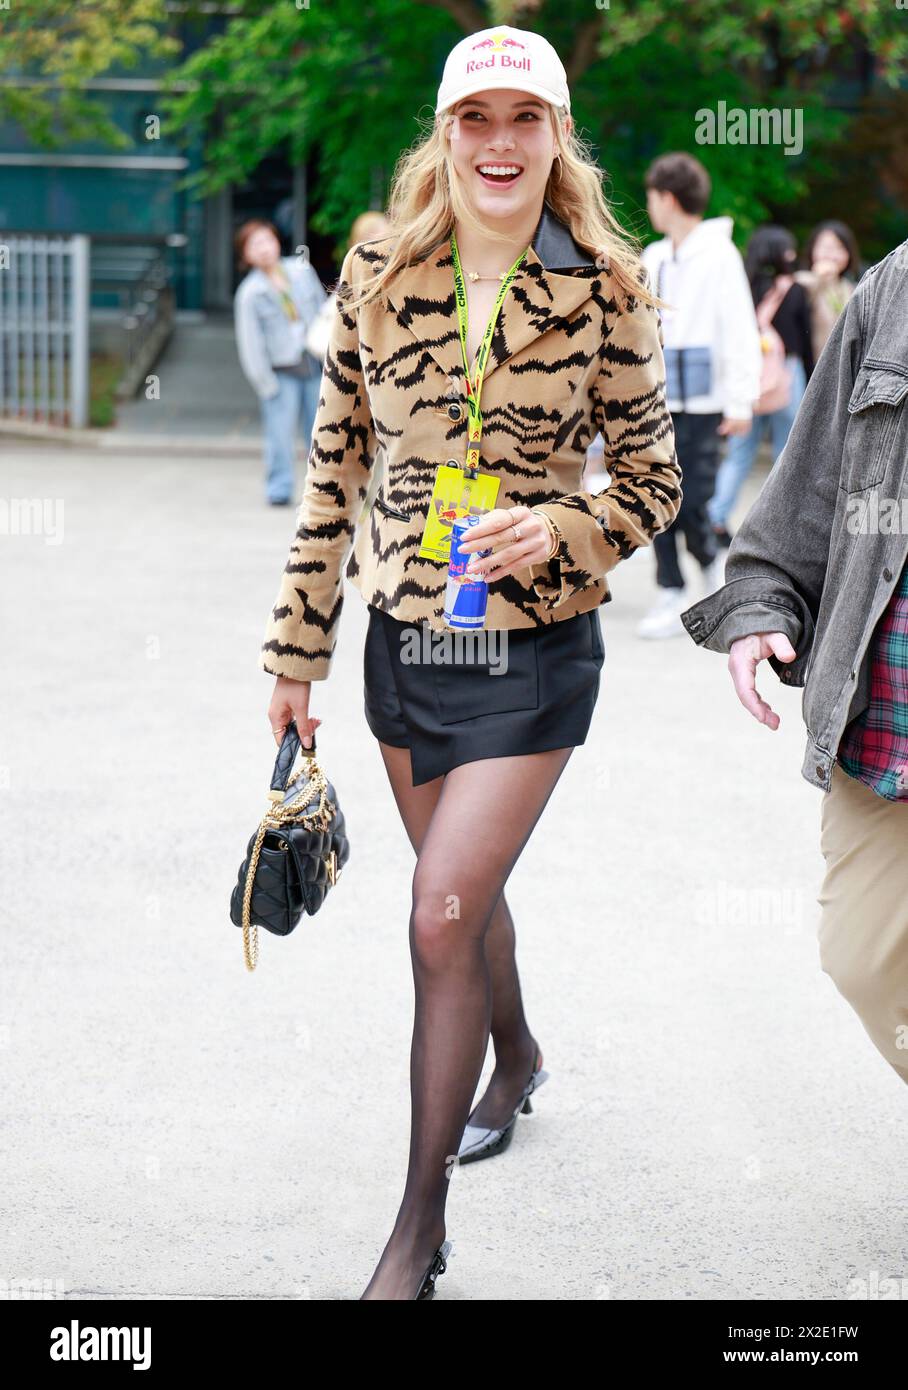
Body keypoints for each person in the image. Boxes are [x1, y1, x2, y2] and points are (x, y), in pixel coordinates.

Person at [259, 23, 681, 1299]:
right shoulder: (378, 268)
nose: (499, 143)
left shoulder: (607, 283)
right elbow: (332, 470)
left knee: (434, 909)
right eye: (474, 120)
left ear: (557, 141)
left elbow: (655, 481)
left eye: (525, 120)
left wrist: (557, 522)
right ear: (442, 136)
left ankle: (414, 1232)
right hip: (405, 640)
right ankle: (518, 1055)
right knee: (466, 901)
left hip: (535, 652)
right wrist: (297, 652)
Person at [680, 236, 908, 1088]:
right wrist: (761, 609)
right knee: (863, 959)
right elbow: (802, 497)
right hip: (889, 727)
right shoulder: (895, 289)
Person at [638, 153, 762, 639]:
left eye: (652, 197)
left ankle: (709, 566)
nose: (650, 206)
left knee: (694, 500)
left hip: (705, 402)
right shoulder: (654, 257)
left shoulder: (719, 254)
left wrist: (740, 400)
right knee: (652, 494)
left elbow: (739, 328)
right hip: (656, 400)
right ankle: (670, 589)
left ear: (667, 198)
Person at [708, 226, 815, 548]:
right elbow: (805, 340)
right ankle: (779, 527)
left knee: (739, 454)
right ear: (781, 253)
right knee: (788, 452)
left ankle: (716, 518)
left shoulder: (743, 288)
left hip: (749, 380)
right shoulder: (794, 289)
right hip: (787, 376)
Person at [233, 219, 327, 506]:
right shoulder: (250, 292)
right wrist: (264, 383)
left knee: (321, 432)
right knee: (279, 435)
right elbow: (250, 343)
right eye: (254, 245)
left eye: (267, 240)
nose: (263, 249)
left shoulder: (301, 270)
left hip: (313, 363)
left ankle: (323, 489)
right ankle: (279, 488)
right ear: (246, 255)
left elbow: (325, 313)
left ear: (277, 242)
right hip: (281, 372)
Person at [796, 219, 861, 363]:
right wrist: (817, 277)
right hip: (811, 368)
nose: (832, 255)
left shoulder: (853, 289)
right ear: (812, 249)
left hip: (844, 368)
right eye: (826, 247)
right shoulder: (801, 283)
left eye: (839, 248)